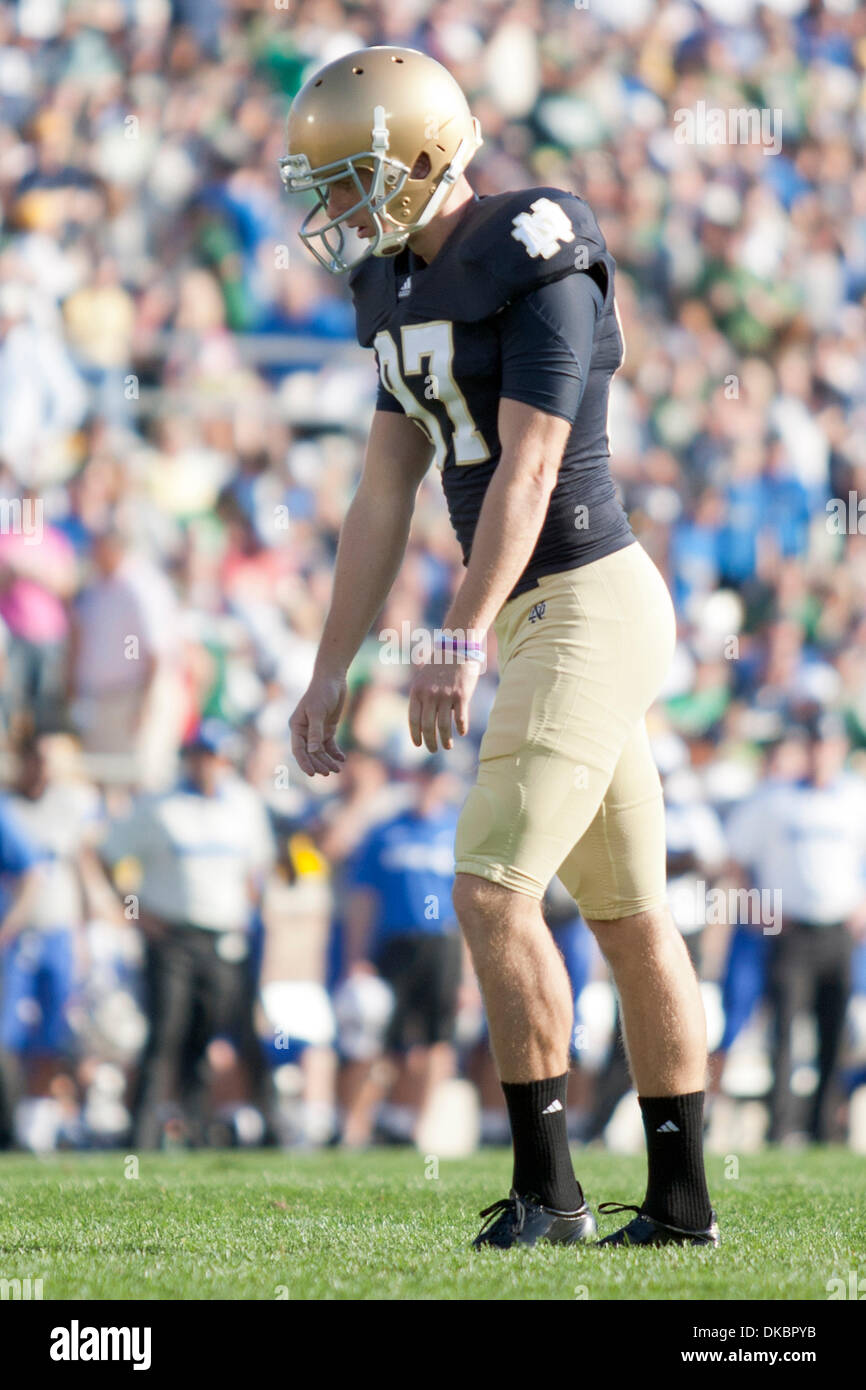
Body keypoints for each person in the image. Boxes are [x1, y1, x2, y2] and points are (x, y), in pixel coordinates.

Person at [285, 46, 716, 1248]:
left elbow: (526, 469)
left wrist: (456, 634)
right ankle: (679, 1210)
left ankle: (549, 1192)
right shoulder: (394, 288)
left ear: (428, 157)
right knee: (628, 914)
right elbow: (382, 496)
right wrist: (333, 667)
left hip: (582, 595)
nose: (337, 210)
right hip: (533, 609)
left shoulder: (535, 260)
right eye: (323, 185)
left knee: (486, 888)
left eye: (353, 179)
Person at [100, 721, 275, 1148]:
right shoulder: (159, 806)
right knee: (165, 1037)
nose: (205, 766)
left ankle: (196, 1133)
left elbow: (258, 867)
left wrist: (246, 911)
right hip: (172, 937)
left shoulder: (245, 805)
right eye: (197, 756)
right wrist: (136, 913)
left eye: (212, 757)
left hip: (222, 939)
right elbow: (107, 855)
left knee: (205, 1038)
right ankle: (139, 1137)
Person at [726, 713, 866, 1144]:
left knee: (832, 1034)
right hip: (791, 933)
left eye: (828, 746)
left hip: (838, 931)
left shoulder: (855, 798)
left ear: (840, 750)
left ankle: (824, 1130)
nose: (820, 755)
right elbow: (735, 861)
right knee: (784, 1031)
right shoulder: (775, 800)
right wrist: (763, 915)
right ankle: (781, 1128)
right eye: (814, 746)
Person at [341, 753, 464, 1146]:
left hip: (441, 944)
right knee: (384, 1042)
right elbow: (364, 901)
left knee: (435, 1042)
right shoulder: (386, 832)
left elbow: (467, 909)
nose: (430, 785)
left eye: (437, 778)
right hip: (395, 944)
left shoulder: (457, 832)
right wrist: (357, 957)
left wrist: (470, 976)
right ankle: (360, 1126)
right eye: (425, 777)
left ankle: (416, 1128)